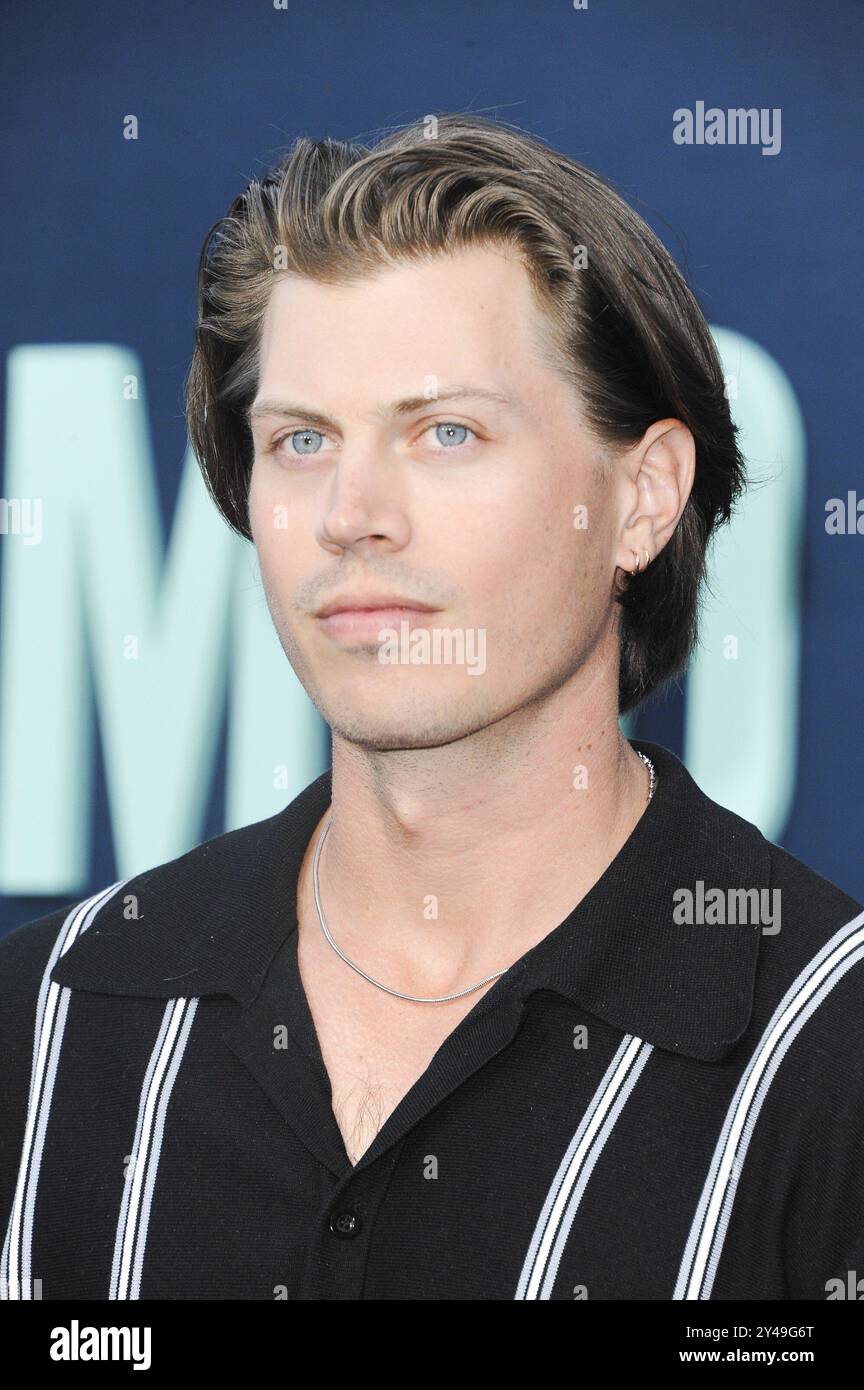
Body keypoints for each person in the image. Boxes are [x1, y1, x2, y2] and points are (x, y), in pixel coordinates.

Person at [2, 114, 862, 1302]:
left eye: (445, 432)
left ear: (644, 497)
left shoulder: (831, 1052)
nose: (353, 511)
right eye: (302, 439)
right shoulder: (50, 1021)